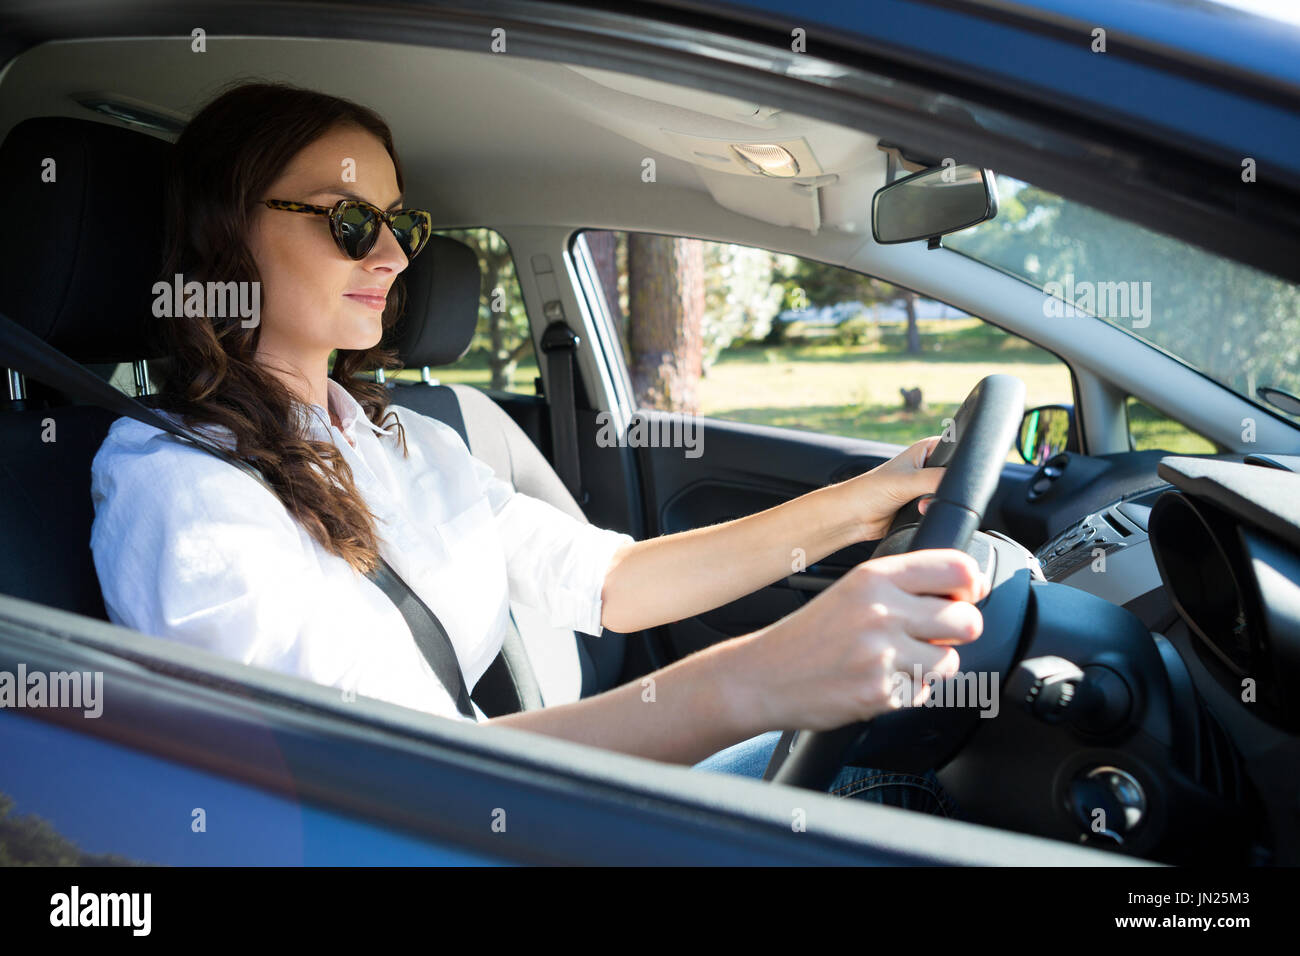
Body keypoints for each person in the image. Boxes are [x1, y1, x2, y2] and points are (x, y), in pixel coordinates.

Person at [90, 82, 987, 814]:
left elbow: (617, 582)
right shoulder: (179, 484)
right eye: (348, 221)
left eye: (400, 224)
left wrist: (863, 500)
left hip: (505, 810)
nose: (395, 258)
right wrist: (762, 679)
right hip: (433, 832)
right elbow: (373, 777)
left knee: (925, 743)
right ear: (226, 232)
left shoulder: (407, 442)